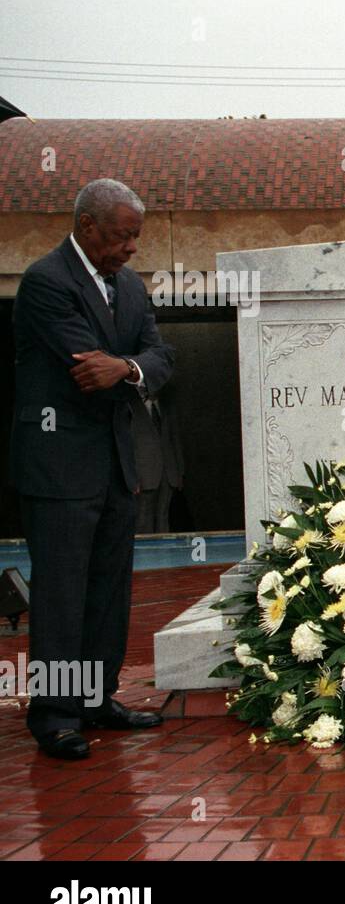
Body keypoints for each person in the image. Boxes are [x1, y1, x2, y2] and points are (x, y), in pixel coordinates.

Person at [10, 178, 175, 760]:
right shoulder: (45, 281)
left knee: (108, 589)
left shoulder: (129, 286)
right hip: (58, 466)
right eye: (123, 235)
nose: (132, 247)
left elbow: (160, 358)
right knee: (60, 592)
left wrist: (125, 367)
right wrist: (129, 368)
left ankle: (96, 699)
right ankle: (54, 715)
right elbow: (85, 366)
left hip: (113, 465)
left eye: (137, 236)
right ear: (87, 226)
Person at [130, 379, 185, 533]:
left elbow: (175, 438)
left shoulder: (166, 406)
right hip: (144, 473)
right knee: (143, 517)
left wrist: (180, 471)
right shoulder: (131, 408)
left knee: (163, 515)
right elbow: (129, 444)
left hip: (168, 472)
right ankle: (145, 554)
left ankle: (163, 554)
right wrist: (132, 476)